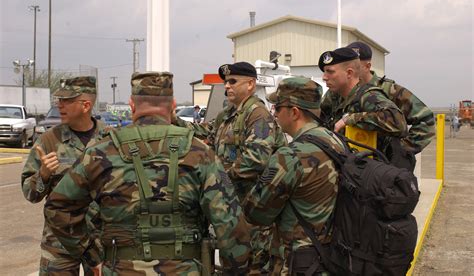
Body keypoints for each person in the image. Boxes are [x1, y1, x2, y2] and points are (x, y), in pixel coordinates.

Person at [44, 72, 251, 275]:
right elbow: (230, 224)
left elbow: (58, 207)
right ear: (172, 106)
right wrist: (236, 268)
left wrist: (90, 256)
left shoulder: (100, 151)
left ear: (132, 105)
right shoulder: (200, 153)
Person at [177, 61, 286, 274]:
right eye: (226, 82)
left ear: (250, 85)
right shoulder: (227, 115)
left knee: (253, 265)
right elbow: (204, 133)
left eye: (233, 81)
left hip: (254, 209)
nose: (227, 86)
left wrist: (215, 178)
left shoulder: (258, 115)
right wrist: (173, 120)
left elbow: (255, 160)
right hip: (234, 207)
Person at [244, 77, 345, 275]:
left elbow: (256, 212)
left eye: (277, 107)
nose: (273, 113)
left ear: (294, 112)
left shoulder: (289, 156)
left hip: (299, 262)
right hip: (331, 255)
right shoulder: (335, 141)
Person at [21, 76, 106, 276]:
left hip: (101, 241)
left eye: (67, 101)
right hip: (60, 242)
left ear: (86, 105)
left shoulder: (110, 139)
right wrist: (43, 174)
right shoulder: (49, 140)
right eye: (59, 100)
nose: (60, 105)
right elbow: (30, 194)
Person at [346, 41, 435, 163]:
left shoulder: (390, 90)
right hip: (353, 163)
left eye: (355, 66)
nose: (350, 70)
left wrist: (401, 151)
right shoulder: (342, 91)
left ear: (367, 66)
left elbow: (426, 119)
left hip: (384, 166)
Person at [318, 47, 408, 160]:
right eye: (324, 72)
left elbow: (398, 122)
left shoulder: (368, 96)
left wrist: (350, 119)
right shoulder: (334, 97)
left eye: (330, 72)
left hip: (372, 170)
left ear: (349, 73)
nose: (324, 77)